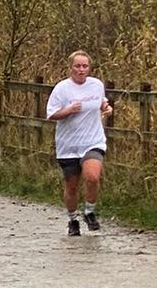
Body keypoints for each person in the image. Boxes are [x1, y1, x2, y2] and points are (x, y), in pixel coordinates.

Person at [45, 50, 112, 235]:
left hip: (93, 140)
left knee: (92, 177)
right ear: (70, 68)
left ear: (89, 68)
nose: (81, 70)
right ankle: (73, 219)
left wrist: (107, 107)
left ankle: (89, 211)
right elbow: (51, 114)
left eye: (85, 66)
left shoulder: (96, 85)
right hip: (69, 146)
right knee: (72, 186)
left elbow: (101, 102)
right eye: (77, 66)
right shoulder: (62, 89)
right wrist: (68, 111)